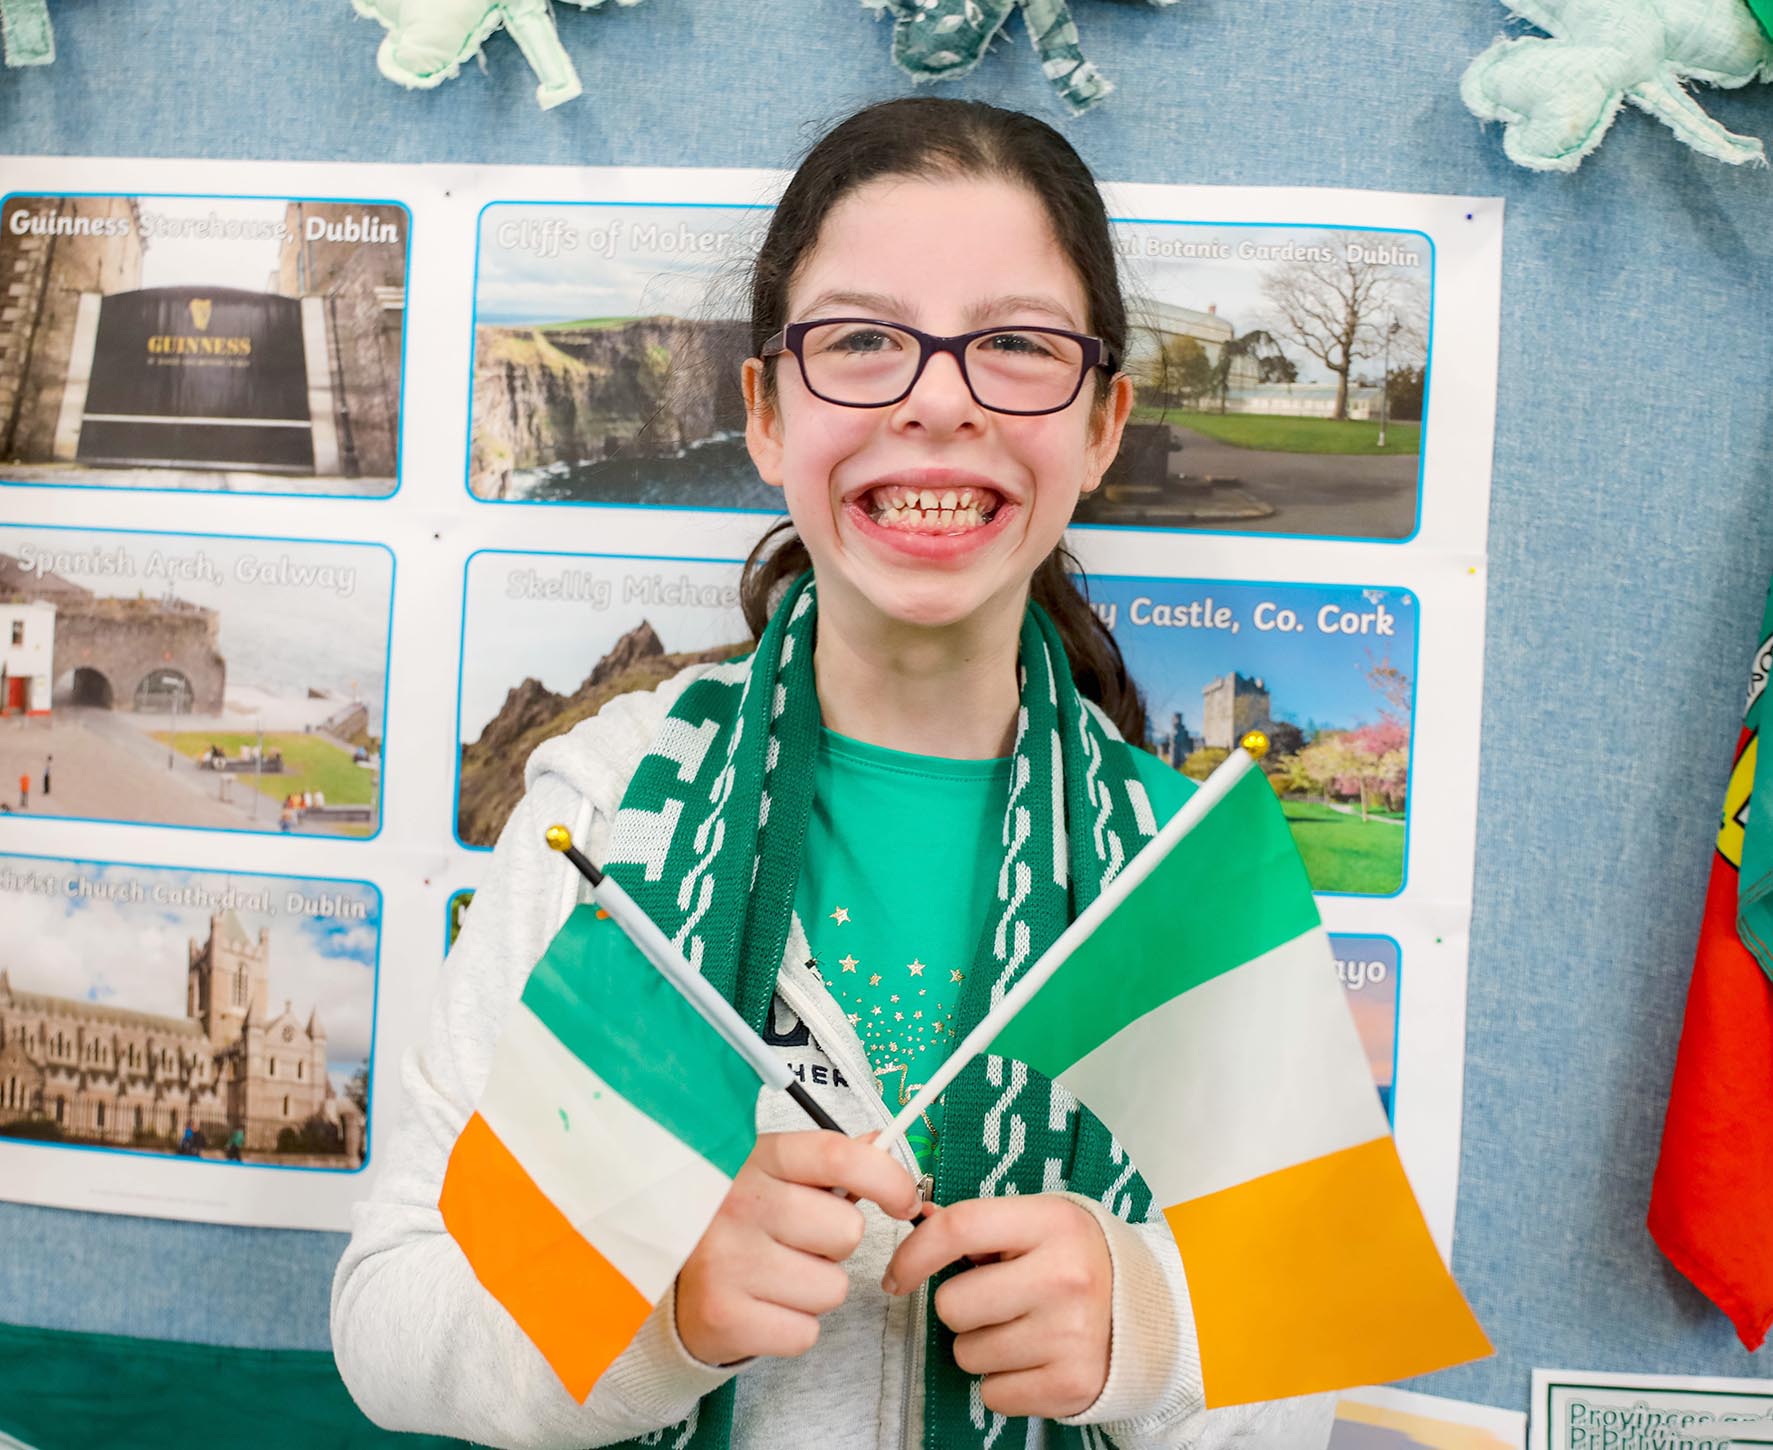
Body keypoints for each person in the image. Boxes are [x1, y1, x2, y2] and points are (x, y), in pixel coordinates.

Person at [331, 99, 1332, 1450]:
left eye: (1016, 346)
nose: (935, 397)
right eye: (860, 340)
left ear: (1101, 425)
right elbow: (395, 1317)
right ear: (763, 410)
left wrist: (1144, 1322)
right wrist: (658, 1305)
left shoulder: (1190, 873)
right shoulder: (607, 814)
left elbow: (1297, 1396)